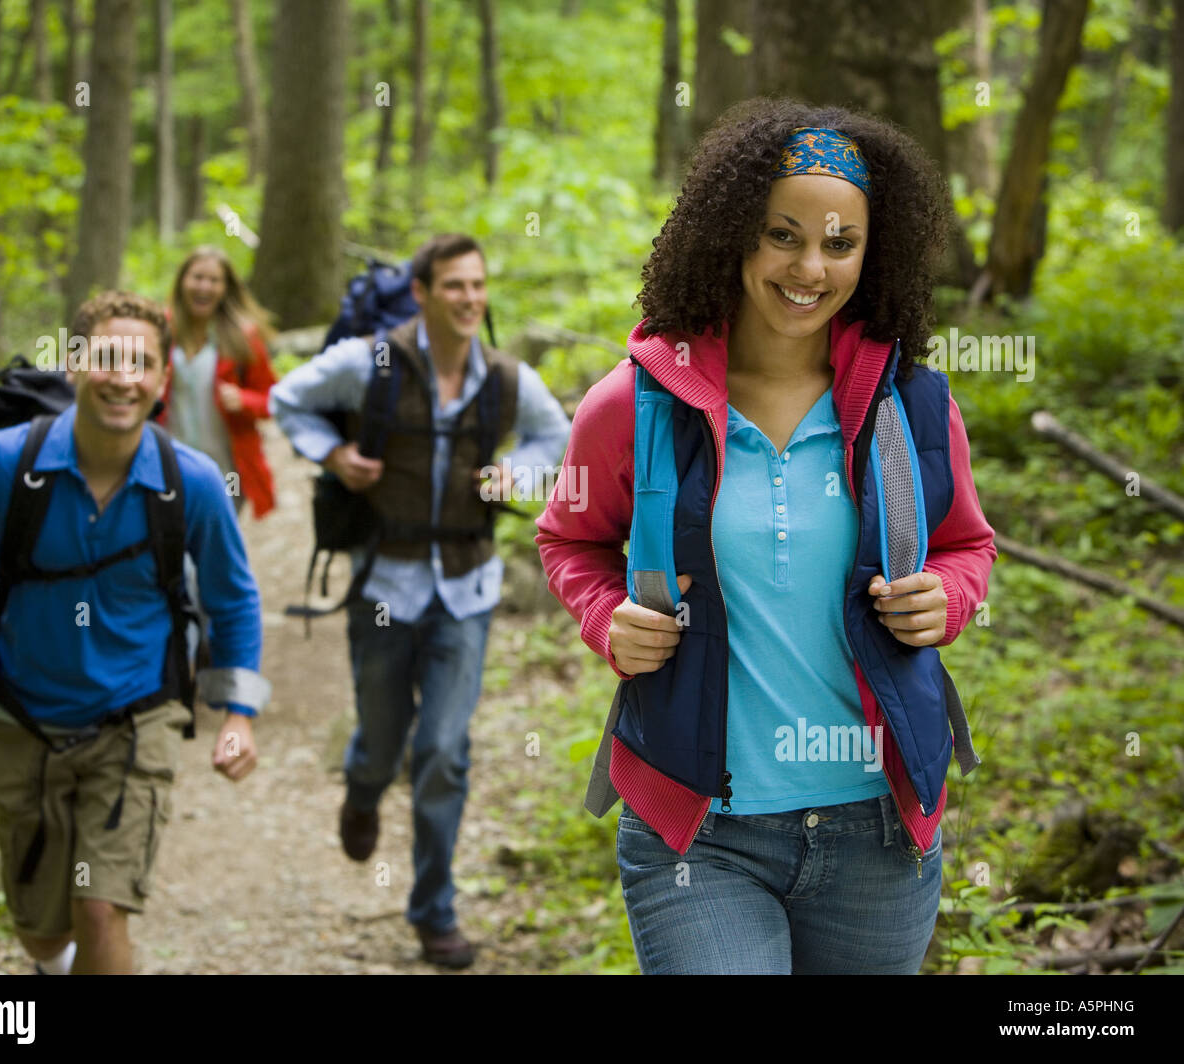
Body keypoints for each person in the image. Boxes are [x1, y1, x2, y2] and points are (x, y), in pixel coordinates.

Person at [535, 99, 998, 975]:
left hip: (879, 830)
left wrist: (950, 596)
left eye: (839, 242)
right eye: (783, 235)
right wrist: (606, 620)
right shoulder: (636, 404)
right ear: (733, 234)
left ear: (873, 251)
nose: (809, 267)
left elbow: (966, 545)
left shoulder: (914, 406)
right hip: (701, 835)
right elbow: (568, 539)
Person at [0, 291, 267, 975]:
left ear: (161, 380)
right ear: (74, 363)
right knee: (43, 931)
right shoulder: (2, 465)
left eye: (142, 363)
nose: (123, 377)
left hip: (136, 717)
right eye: (108, 357)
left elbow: (234, 603)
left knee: (101, 907)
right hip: (22, 717)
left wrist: (238, 714)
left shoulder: (194, 483)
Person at [270, 234, 571, 968]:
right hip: (383, 585)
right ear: (422, 294)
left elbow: (556, 434)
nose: (471, 298)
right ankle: (364, 785)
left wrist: (515, 474)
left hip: (466, 589)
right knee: (382, 735)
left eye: (479, 285)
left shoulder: (506, 377)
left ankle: (434, 909)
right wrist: (335, 455)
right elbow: (288, 400)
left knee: (441, 748)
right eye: (455, 286)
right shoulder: (369, 361)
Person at [163, 245, 278, 519]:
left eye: (214, 280)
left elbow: (273, 399)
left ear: (225, 288)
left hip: (226, 471)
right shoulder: (160, 330)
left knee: (215, 546)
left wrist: (244, 400)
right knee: (172, 545)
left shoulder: (243, 338)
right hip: (168, 465)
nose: (205, 286)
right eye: (197, 277)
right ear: (182, 282)